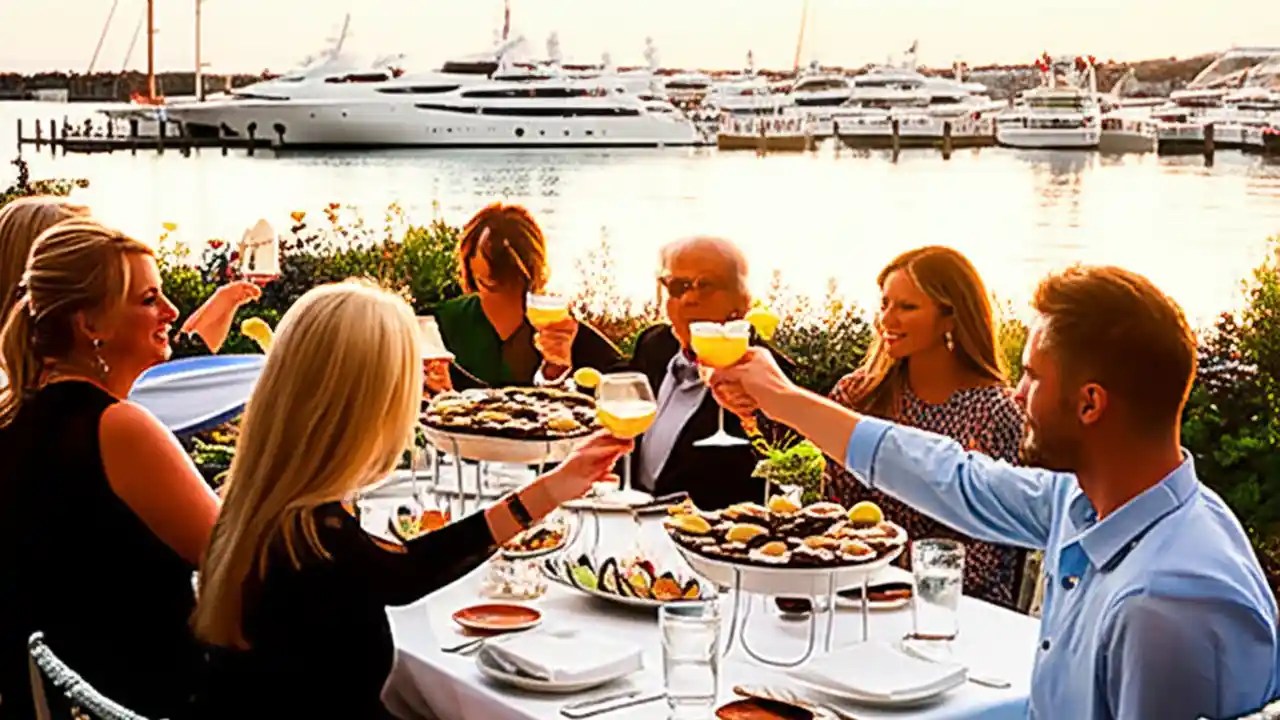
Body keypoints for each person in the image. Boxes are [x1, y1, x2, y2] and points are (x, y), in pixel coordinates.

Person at [709, 264, 1280, 720]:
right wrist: (781, 399)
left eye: (1031, 376)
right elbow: (951, 476)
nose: (1014, 394)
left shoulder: (1163, 605)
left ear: (1089, 404)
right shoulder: (1090, 504)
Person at [190, 281, 631, 719]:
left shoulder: (268, 510)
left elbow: (403, 569)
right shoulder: (317, 542)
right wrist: (547, 492)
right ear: (364, 403)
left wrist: (550, 490)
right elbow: (400, 573)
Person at [0, 220, 224, 719]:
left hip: (59, 692)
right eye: (148, 299)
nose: (171, 312)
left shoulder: (17, 415)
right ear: (90, 325)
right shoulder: (116, 428)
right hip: (141, 699)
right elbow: (236, 557)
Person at [825, 246, 1029, 610]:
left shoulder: (995, 412)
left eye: (906, 307)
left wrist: (881, 556)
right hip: (855, 597)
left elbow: (989, 558)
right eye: (885, 304)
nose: (887, 319)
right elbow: (833, 513)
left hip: (963, 609)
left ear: (951, 318)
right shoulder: (857, 396)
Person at [551, 236, 794, 510]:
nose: (690, 298)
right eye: (679, 287)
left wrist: (754, 418)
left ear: (742, 300)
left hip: (708, 543)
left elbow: (787, 471)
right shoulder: (655, 345)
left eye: (706, 286)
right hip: (631, 526)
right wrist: (559, 363)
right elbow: (613, 386)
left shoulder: (774, 377)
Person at [429, 202, 620, 391]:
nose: (502, 300)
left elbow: (627, 385)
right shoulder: (438, 325)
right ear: (468, 263)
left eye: (512, 283)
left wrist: (557, 371)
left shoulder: (561, 331)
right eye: (489, 285)